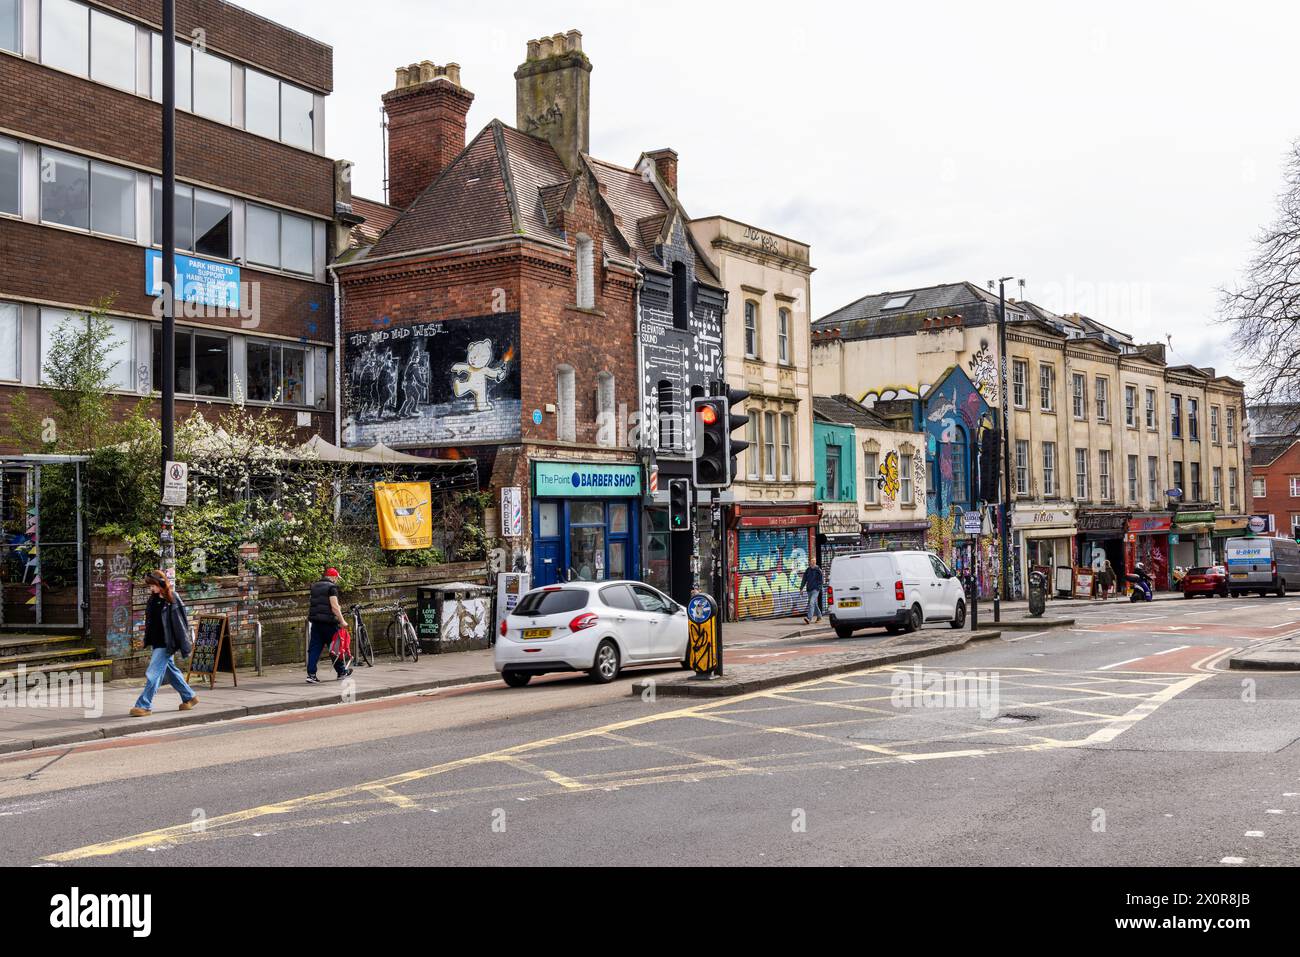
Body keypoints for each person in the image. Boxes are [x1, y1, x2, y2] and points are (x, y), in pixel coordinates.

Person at [129, 570, 198, 717]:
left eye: (153, 585)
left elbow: (181, 623)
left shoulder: (172, 598)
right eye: (150, 586)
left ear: (161, 583)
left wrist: (183, 644)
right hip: (156, 641)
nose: (151, 589)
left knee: (153, 673)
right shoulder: (153, 598)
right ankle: (189, 697)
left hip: (166, 643)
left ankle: (144, 705)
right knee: (171, 672)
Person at [307, 567, 351, 683]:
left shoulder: (314, 586)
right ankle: (341, 672)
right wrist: (342, 621)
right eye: (336, 578)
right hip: (329, 623)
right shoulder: (332, 587)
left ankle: (311, 674)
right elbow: (334, 607)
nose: (336, 580)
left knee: (314, 649)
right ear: (333, 577)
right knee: (335, 648)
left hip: (316, 622)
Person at [800, 559, 825, 624]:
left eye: (812, 562)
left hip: (815, 590)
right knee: (814, 603)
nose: (811, 563)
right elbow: (804, 579)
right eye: (810, 562)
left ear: (814, 562)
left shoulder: (818, 570)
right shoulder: (808, 570)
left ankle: (809, 618)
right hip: (809, 589)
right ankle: (819, 616)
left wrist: (818, 588)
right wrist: (801, 588)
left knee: (811, 602)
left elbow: (822, 581)